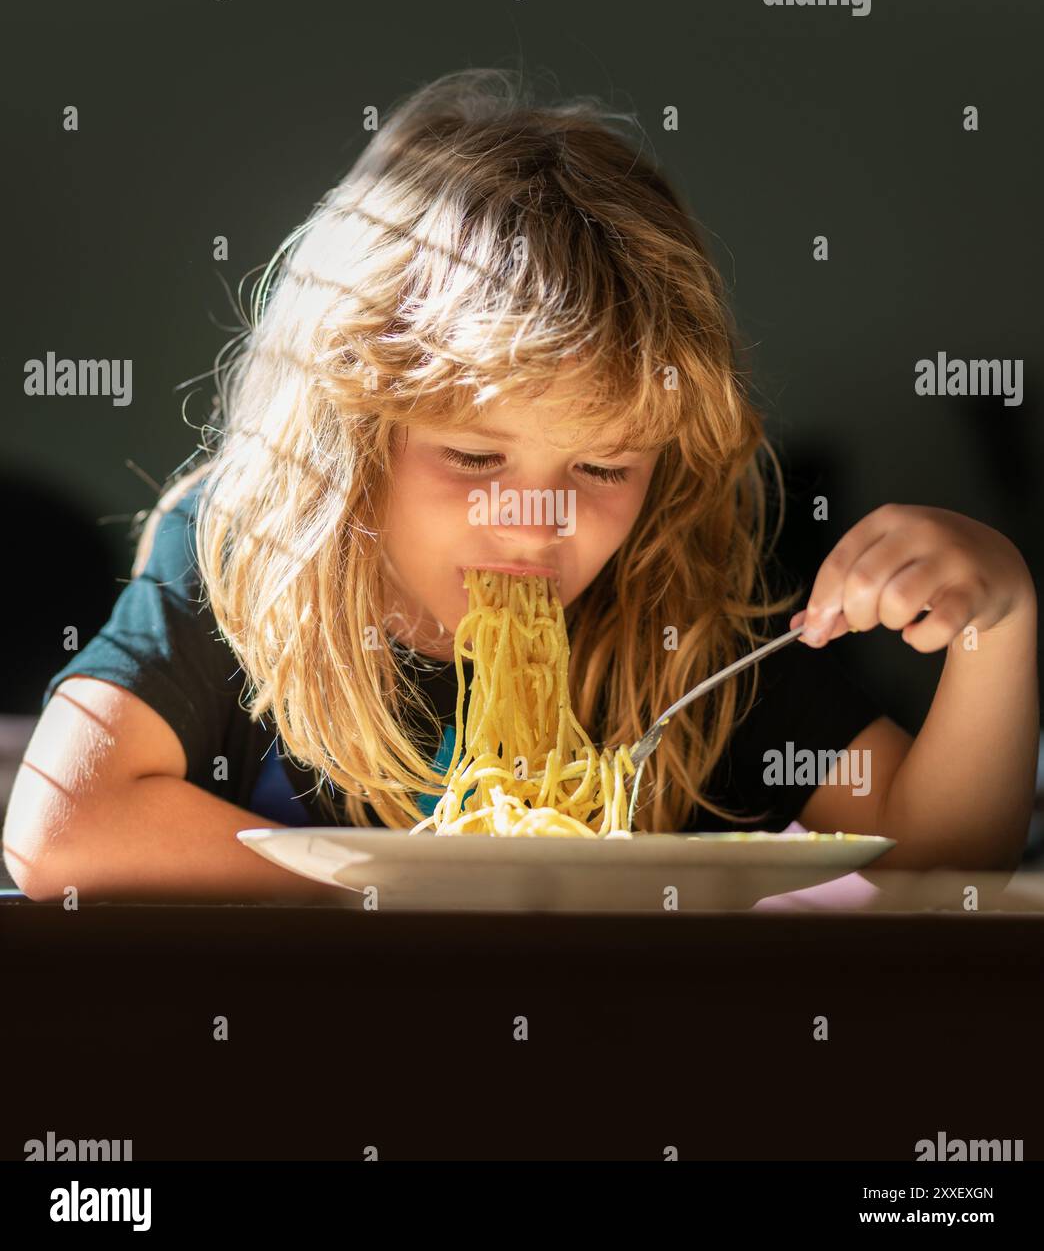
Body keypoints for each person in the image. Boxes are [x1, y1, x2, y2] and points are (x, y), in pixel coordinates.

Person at [4, 69, 1037, 903]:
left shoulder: (672, 618)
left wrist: (1001, 622)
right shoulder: (247, 558)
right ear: (349, 434)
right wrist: (425, 900)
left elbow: (932, 862)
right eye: (473, 457)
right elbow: (62, 830)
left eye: (601, 467)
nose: (539, 518)